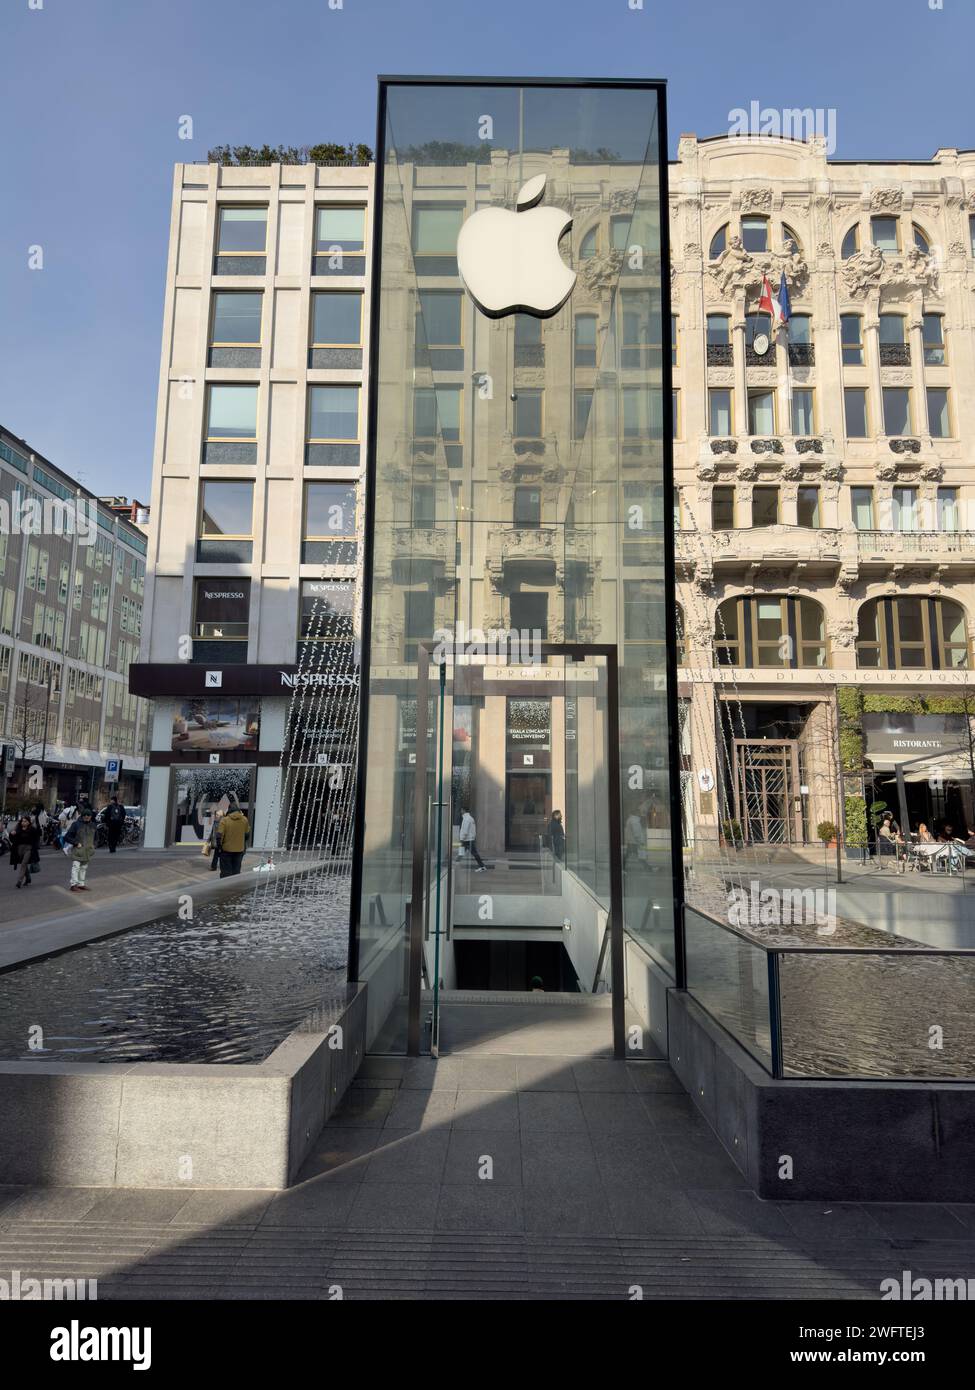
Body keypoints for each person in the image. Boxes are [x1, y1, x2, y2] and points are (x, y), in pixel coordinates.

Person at [64, 808, 97, 891]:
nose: (86, 816)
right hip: (78, 850)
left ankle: (81, 884)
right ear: (82, 816)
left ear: (91, 816)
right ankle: (73, 884)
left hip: (87, 850)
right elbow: (67, 837)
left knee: (84, 868)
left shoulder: (93, 825)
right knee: (76, 867)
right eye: (85, 815)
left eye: (88, 815)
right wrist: (75, 843)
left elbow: (96, 837)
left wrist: (94, 845)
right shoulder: (76, 824)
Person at [217, 802, 250, 877]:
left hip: (226, 851)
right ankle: (235, 887)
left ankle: (225, 887)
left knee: (225, 872)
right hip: (239, 850)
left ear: (229, 810)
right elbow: (247, 834)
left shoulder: (224, 820)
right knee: (236, 872)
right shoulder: (245, 820)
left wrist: (219, 847)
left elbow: (219, 836)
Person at [10, 815, 40, 888]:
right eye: (22, 821)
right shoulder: (18, 829)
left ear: (29, 822)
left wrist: (35, 848)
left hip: (28, 848)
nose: (23, 823)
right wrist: (12, 834)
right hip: (19, 849)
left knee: (24, 863)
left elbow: (36, 839)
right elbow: (12, 839)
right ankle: (28, 878)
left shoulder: (32, 829)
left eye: (25, 821)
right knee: (24, 864)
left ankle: (19, 881)